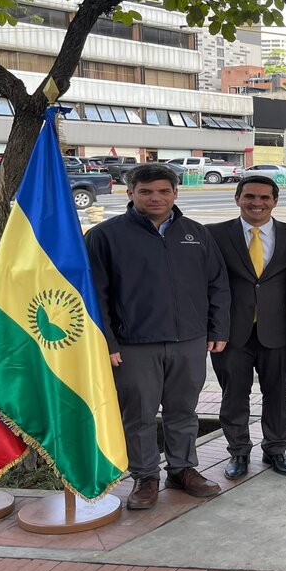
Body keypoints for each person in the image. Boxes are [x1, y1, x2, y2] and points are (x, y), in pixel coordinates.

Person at [86, 164, 231, 510]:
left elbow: (218, 284)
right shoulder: (105, 236)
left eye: (164, 191)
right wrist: (107, 342)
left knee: (184, 410)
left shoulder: (195, 233)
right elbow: (94, 295)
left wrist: (218, 329)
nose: (156, 198)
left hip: (189, 341)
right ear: (130, 193)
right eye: (147, 191)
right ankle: (145, 476)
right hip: (134, 344)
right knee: (139, 414)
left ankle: (182, 470)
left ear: (175, 194)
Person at [207, 175, 286, 480]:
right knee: (234, 395)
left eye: (265, 198)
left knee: (278, 394)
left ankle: (276, 449)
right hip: (230, 333)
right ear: (237, 198)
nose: (257, 203)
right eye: (250, 196)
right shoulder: (213, 234)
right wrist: (213, 329)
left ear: (275, 201)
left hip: (279, 331)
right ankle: (238, 451)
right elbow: (205, 284)